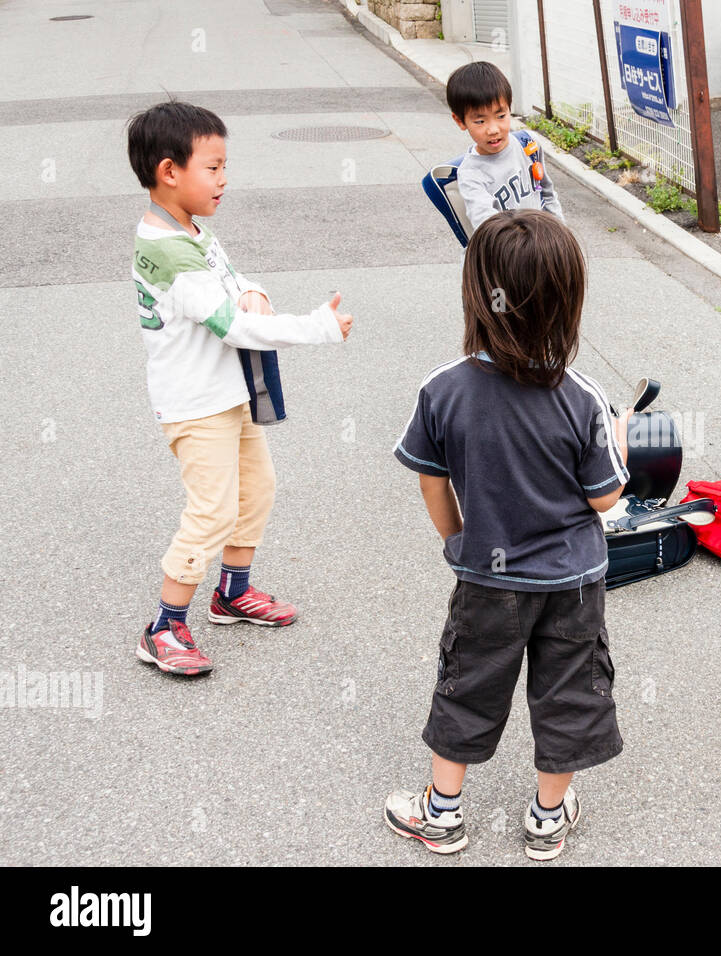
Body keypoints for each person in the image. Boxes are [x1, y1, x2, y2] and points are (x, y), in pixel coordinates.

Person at [385, 209, 629, 860]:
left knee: (468, 683)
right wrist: (621, 439)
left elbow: (431, 481)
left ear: (477, 299)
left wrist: (458, 540)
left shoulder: (444, 390)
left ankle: (442, 815)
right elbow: (606, 495)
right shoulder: (583, 398)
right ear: (566, 303)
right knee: (569, 691)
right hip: (572, 583)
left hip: (487, 581)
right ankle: (548, 819)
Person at [127, 101, 353, 676]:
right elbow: (231, 325)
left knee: (257, 490)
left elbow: (231, 288)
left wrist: (252, 287)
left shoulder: (193, 232)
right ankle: (163, 627)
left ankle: (231, 593)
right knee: (212, 510)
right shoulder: (165, 250)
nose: (224, 179)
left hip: (229, 394)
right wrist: (316, 328)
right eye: (214, 167)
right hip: (195, 404)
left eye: (225, 166)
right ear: (169, 171)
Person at [447, 61, 563, 233]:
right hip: (504, 254)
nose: (493, 130)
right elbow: (487, 228)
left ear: (510, 108)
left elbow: (547, 193)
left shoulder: (528, 143)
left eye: (501, 116)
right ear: (460, 121)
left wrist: (560, 234)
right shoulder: (471, 174)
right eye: (480, 121)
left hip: (539, 247)